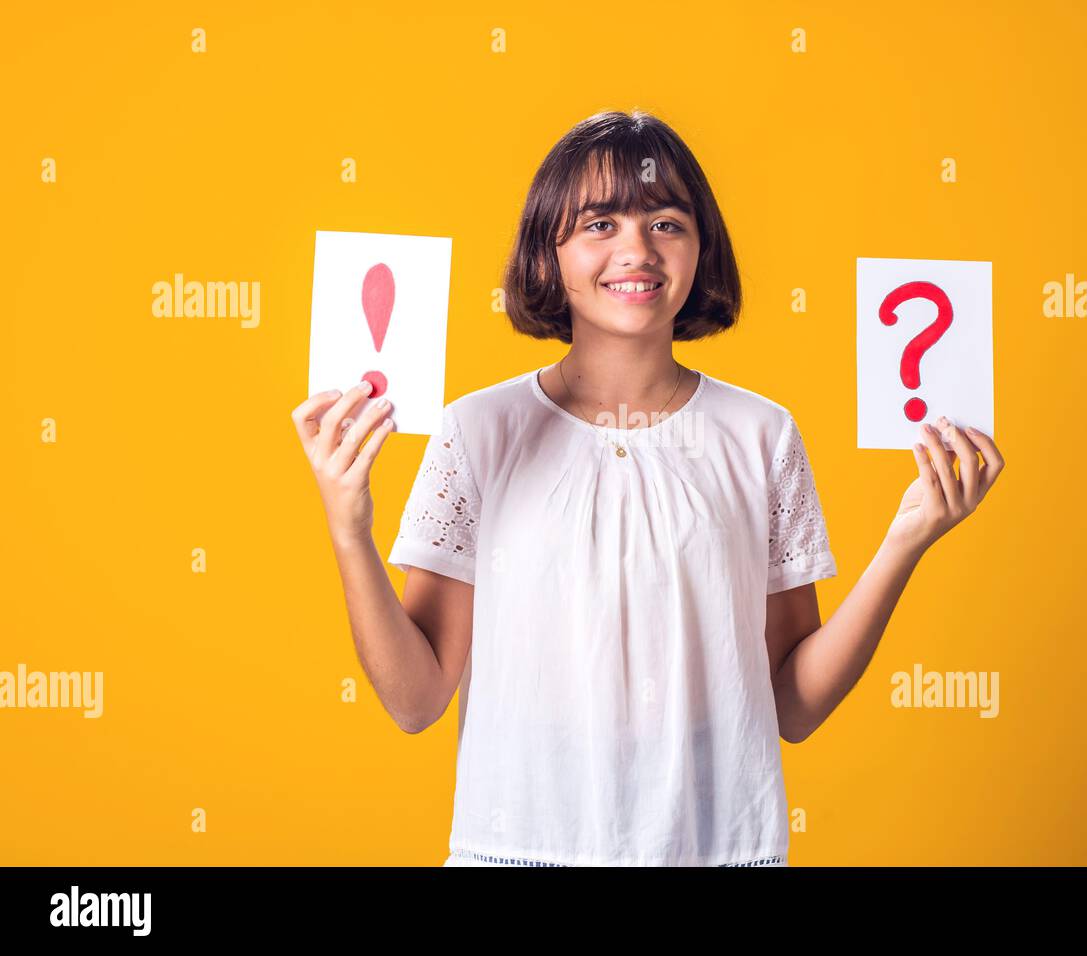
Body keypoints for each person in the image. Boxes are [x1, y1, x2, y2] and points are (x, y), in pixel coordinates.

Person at [290, 110, 1005, 867]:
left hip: (717, 849)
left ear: (702, 249)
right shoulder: (479, 432)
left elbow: (791, 704)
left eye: (667, 222)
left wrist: (907, 539)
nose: (637, 250)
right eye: (600, 223)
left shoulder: (761, 435)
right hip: (516, 849)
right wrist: (348, 528)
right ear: (549, 251)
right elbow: (415, 700)